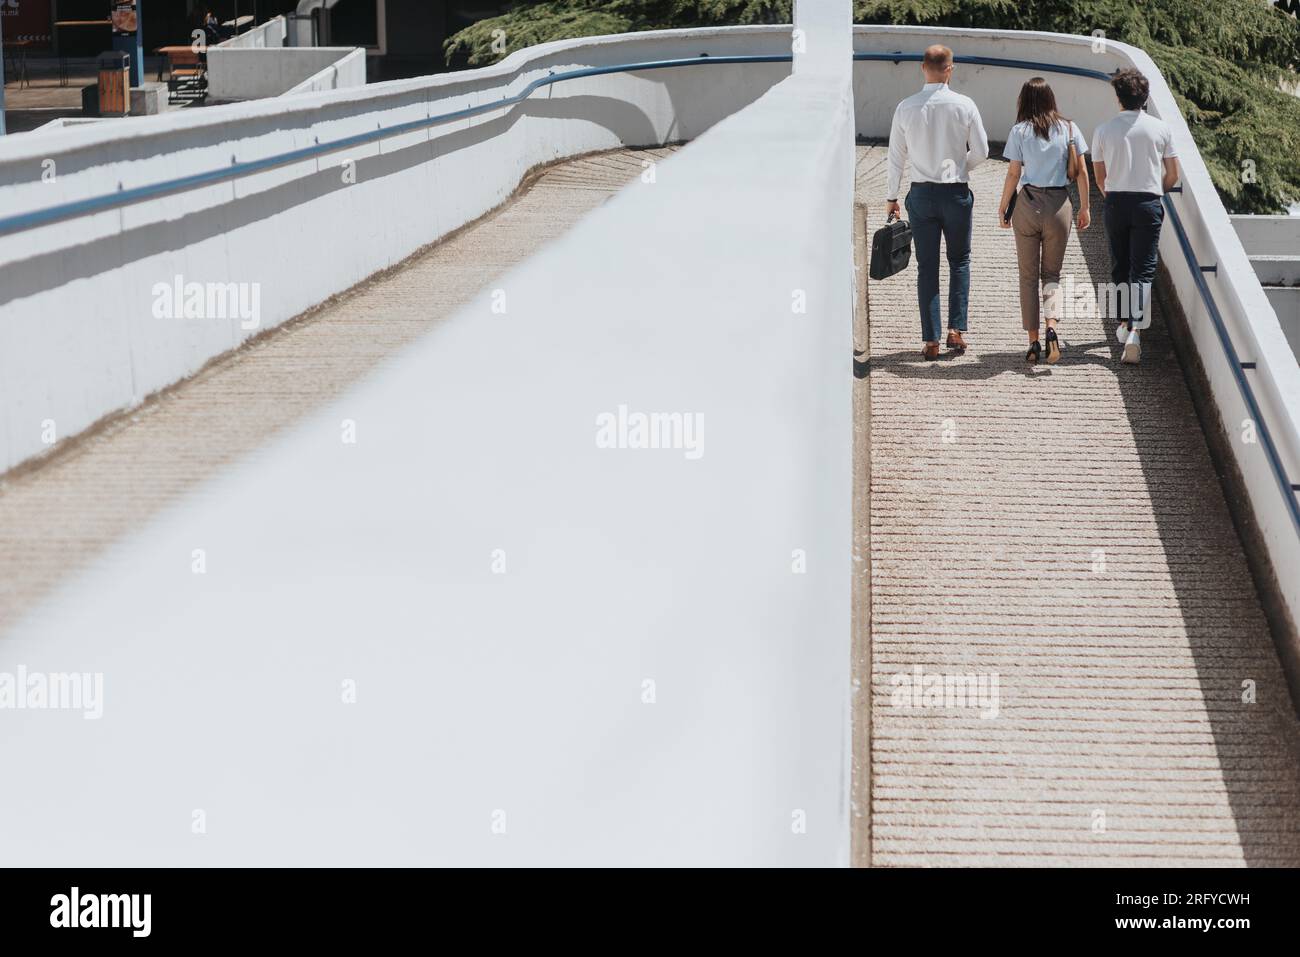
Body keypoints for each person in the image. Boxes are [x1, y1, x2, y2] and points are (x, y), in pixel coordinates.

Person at [886, 45, 989, 361]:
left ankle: (930, 339)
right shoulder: (964, 105)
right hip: (955, 194)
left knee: (926, 267)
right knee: (959, 260)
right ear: (950, 69)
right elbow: (982, 151)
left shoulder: (906, 107)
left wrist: (891, 197)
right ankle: (955, 330)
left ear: (922, 68)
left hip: (922, 195)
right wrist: (961, 167)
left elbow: (895, 158)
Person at [997, 78, 1091, 364]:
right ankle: (1052, 327)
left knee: (1027, 276)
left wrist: (1004, 208)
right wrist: (1085, 208)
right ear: (1051, 99)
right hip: (1059, 205)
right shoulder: (1069, 128)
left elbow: (1014, 173)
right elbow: (1083, 172)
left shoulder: (1020, 131)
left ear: (1023, 101)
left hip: (1028, 205)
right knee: (1052, 274)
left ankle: (1033, 342)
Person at [1090, 68, 1180, 364]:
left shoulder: (1103, 130)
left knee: (1120, 263)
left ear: (1119, 98)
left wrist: (1114, 194)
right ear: (1145, 98)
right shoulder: (1161, 129)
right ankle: (1135, 330)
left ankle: (1122, 323)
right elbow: (1173, 175)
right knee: (1143, 269)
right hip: (1148, 203)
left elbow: (1100, 179)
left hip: (1116, 202)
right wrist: (1154, 191)